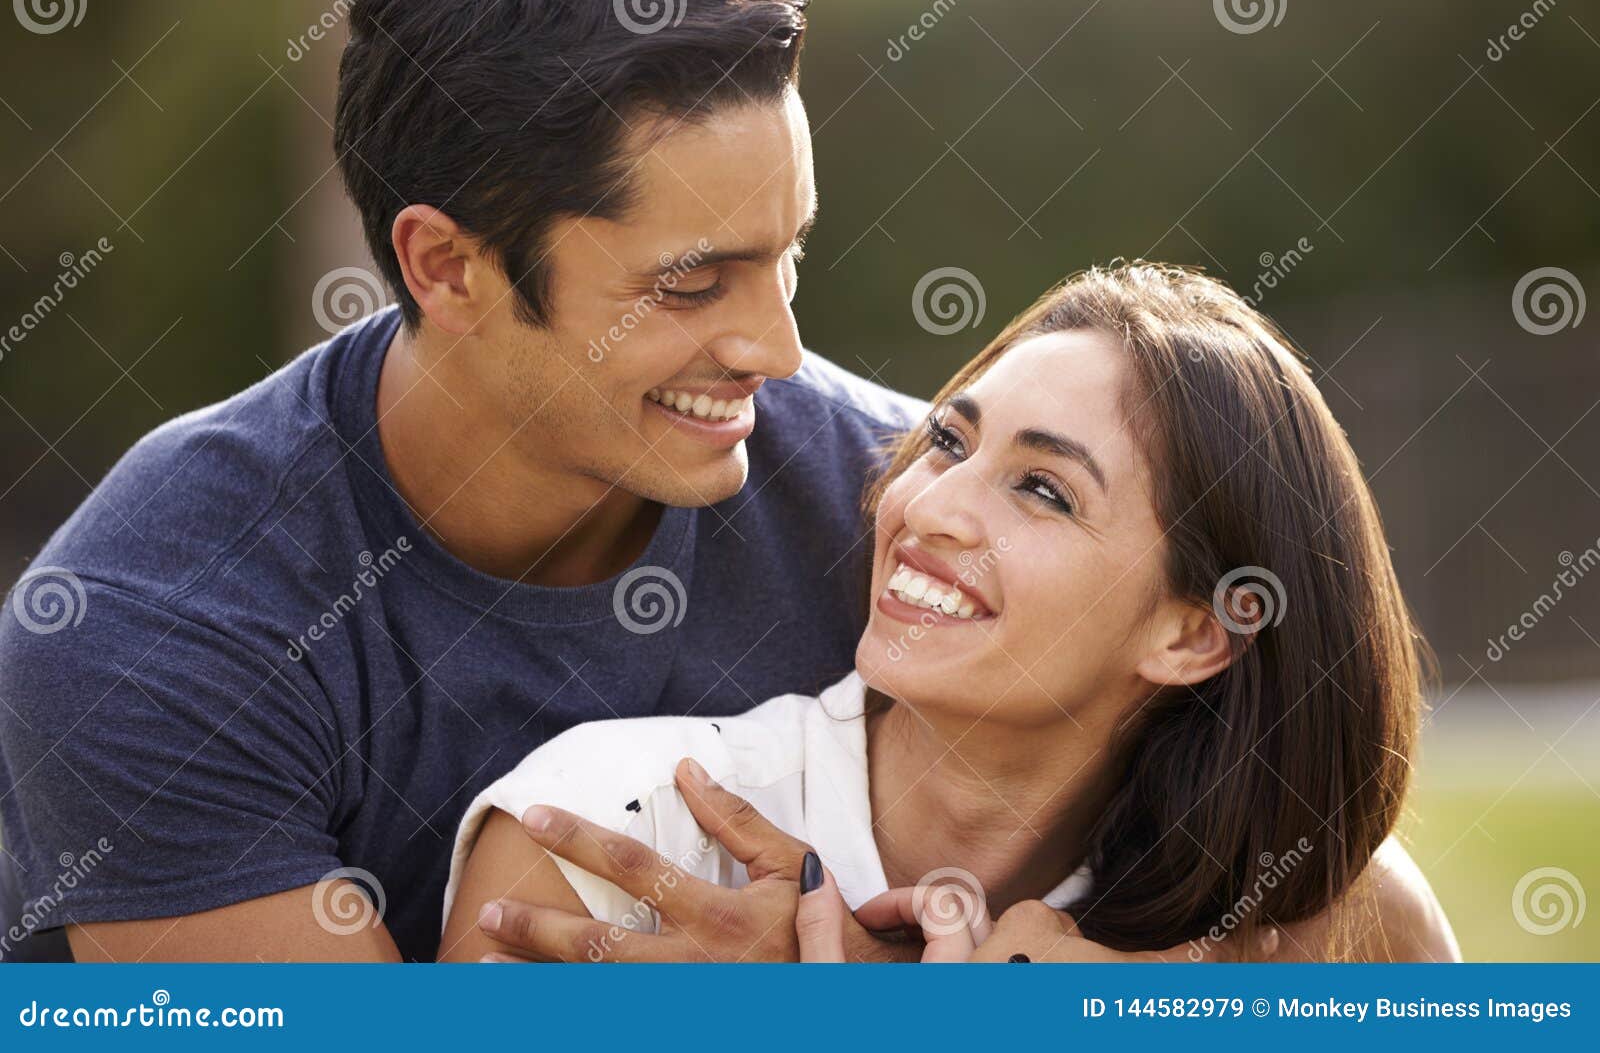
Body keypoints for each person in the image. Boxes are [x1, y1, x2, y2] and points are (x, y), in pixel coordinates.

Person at [0, 0, 923, 962]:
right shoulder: (153, 626)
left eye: (786, 256)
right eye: (691, 283)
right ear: (448, 266)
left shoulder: (911, 510)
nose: (779, 349)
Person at [440, 264, 1461, 963]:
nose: (928, 507)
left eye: (1043, 490)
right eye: (947, 442)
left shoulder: (1326, 931)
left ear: (1194, 630)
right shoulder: (609, 831)